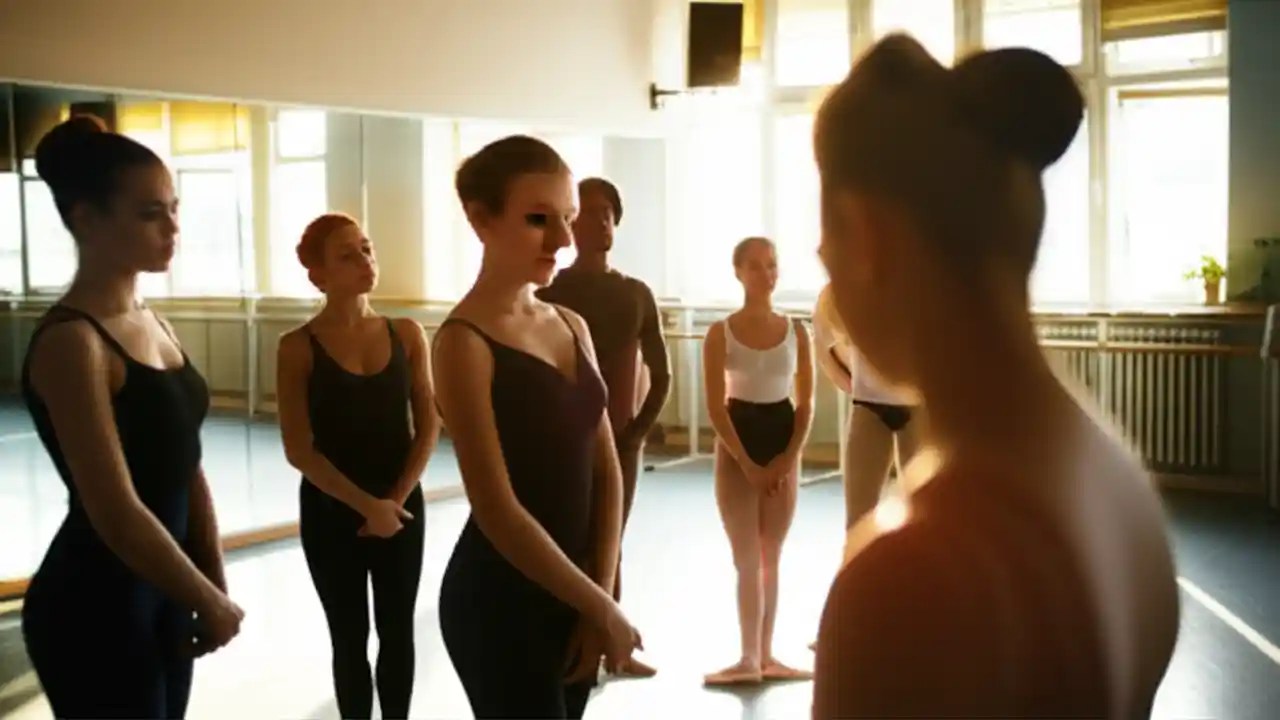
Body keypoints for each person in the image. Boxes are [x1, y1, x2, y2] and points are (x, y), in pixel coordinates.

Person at [810, 35, 1180, 719]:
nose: (824, 260)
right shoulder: (1113, 473)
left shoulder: (910, 574)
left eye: (825, 244)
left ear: (866, 236)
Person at [19, 114, 244, 719]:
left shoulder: (153, 323)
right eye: (150, 214)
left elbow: (186, 466)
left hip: (162, 588)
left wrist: (210, 579)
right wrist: (206, 597)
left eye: (173, 208)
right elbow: (114, 510)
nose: (172, 227)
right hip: (95, 604)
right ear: (86, 220)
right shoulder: (74, 343)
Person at [432, 135, 643, 719]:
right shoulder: (463, 343)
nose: (563, 240)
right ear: (481, 219)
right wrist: (599, 604)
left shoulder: (571, 324)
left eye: (568, 218)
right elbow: (496, 508)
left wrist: (599, 592)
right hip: (502, 601)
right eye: (538, 219)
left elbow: (606, 468)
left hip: (576, 595)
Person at [276, 212, 439, 720]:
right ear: (318, 275)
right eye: (347, 255)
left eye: (366, 248)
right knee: (348, 637)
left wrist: (393, 502)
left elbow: (428, 426)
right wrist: (367, 506)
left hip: (401, 507)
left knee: (397, 630)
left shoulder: (406, 334)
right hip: (332, 510)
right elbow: (300, 449)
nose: (365, 261)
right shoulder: (297, 347)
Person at [536, 175, 671, 678]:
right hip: (567, 442)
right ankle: (572, 644)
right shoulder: (552, 293)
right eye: (589, 213)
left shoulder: (635, 293)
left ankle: (612, 644)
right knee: (572, 540)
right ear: (572, 223)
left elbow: (662, 373)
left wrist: (636, 432)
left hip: (622, 440)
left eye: (608, 213)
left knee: (610, 540)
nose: (601, 222)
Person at [702, 236, 815, 686]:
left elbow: (805, 404)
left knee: (772, 554)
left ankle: (766, 654)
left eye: (771, 265)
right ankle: (748, 656)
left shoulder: (797, 331)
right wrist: (746, 462)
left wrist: (788, 457)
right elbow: (716, 407)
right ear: (738, 272)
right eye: (755, 266)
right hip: (739, 442)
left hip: (781, 437)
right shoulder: (720, 332)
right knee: (746, 556)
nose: (765, 274)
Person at [812, 284, 921, 529]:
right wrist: (851, 384)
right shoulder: (843, 289)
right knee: (859, 518)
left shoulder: (921, 281)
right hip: (868, 403)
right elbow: (822, 343)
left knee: (921, 513)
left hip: (918, 407)